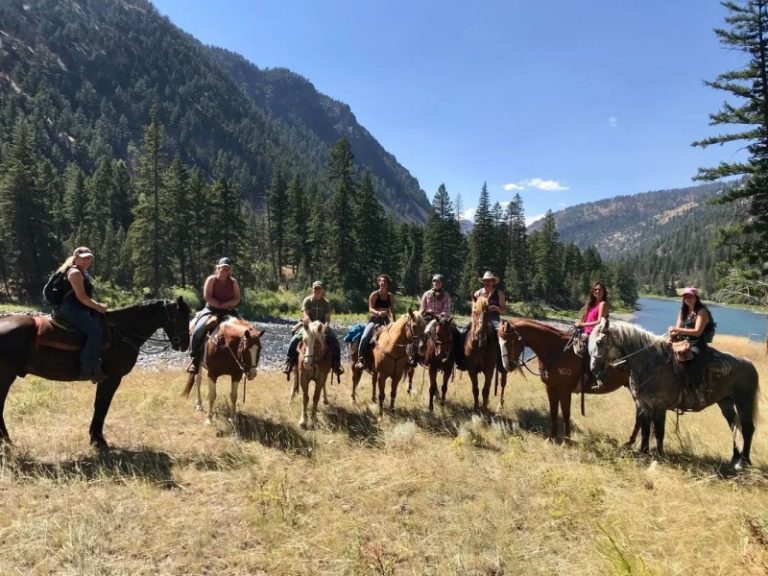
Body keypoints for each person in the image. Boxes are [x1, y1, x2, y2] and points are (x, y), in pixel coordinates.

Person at [55, 246, 108, 382]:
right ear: (75, 258)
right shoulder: (75, 273)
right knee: (95, 332)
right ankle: (87, 367)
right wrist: (98, 306)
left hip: (76, 308)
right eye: (84, 258)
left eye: (89, 258)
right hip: (71, 309)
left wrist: (96, 306)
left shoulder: (82, 272)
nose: (87, 261)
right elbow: (81, 297)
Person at [187, 257, 242, 374]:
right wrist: (218, 304)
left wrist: (227, 304)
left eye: (227, 269)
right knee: (198, 330)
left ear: (230, 270)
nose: (225, 271)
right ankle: (194, 359)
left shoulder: (233, 282)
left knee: (246, 331)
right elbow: (207, 296)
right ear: (218, 268)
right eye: (223, 268)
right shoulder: (211, 280)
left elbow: (237, 297)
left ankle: (243, 361)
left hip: (229, 311)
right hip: (211, 309)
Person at [283, 281, 344, 377]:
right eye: (315, 288)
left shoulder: (326, 303)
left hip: (321, 328)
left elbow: (327, 318)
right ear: (312, 289)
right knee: (294, 340)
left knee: (335, 341)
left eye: (319, 288)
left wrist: (325, 327)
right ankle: (289, 363)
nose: (317, 290)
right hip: (308, 327)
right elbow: (305, 315)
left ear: (322, 290)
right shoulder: (307, 300)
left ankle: (337, 365)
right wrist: (311, 326)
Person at [668, 287, 716, 402]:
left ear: (696, 298)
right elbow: (678, 329)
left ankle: (697, 390)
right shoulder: (683, 311)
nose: (688, 299)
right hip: (683, 341)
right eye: (685, 296)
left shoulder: (702, 311)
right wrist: (672, 333)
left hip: (697, 342)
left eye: (690, 296)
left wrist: (676, 329)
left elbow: (697, 332)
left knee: (694, 359)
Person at [411, 274, 453, 365]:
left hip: (441, 319)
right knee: (416, 331)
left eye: (438, 282)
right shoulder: (427, 294)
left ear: (442, 284)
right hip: (427, 317)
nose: (436, 283)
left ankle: (451, 355)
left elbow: (447, 310)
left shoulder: (446, 295)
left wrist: (439, 316)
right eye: (434, 281)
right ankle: (414, 356)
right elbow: (422, 308)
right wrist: (419, 316)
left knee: (453, 333)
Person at [574, 281, 609, 390]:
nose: (598, 291)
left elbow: (599, 322)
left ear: (604, 292)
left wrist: (582, 324)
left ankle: (594, 378)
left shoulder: (603, 304)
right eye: (595, 289)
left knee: (587, 352)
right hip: (585, 332)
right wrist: (579, 324)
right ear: (592, 291)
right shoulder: (591, 304)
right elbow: (585, 319)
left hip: (595, 334)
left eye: (600, 289)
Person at [356, 274, 395, 369]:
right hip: (374, 319)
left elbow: (393, 311)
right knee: (365, 335)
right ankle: (361, 359)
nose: (383, 283)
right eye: (381, 281)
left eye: (385, 282)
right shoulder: (374, 294)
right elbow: (370, 308)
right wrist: (378, 313)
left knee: (395, 337)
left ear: (388, 284)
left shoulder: (390, 296)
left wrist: (394, 322)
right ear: (378, 282)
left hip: (386, 320)